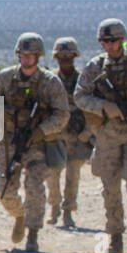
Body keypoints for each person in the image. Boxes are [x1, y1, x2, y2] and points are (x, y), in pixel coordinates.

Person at [74, 18, 127, 253]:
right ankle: (114, 235)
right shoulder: (95, 67)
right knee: (110, 187)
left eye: (114, 40)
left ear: (122, 40)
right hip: (107, 135)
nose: (110, 45)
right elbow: (80, 96)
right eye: (106, 41)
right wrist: (105, 107)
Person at [0, 32, 69, 253]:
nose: (26, 59)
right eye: (23, 55)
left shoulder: (50, 83)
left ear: (38, 56)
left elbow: (62, 114)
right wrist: (1, 117)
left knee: (34, 186)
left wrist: (42, 131)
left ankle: (33, 233)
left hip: (36, 143)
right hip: (9, 141)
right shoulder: (4, 79)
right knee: (3, 188)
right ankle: (20, 215)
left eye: (31, 55)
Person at [46, 36, 93, 228]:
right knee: (52, 174)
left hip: (77, 135)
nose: (65, 59)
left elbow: (91, 109)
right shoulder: (50, 80)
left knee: (73, 176)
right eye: (61, 55)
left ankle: (67, 211)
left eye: (68, 55)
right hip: (56, 134)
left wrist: (88, 132)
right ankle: (55, 207)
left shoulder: (83, 80)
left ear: (74, 57)